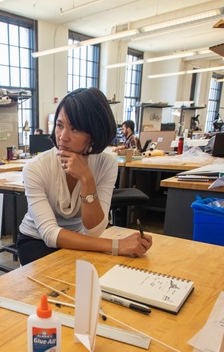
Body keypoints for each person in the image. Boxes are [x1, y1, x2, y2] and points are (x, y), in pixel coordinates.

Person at [17, 88, 153, 265]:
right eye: (59, 125)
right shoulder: (36, 167)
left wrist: (87, 178)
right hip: (36, 240)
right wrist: (116, 245)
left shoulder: (106, 163)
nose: (62, 137)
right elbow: (50, 234)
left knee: (102, 281)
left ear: (94, 133)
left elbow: (94, 231)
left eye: (74, 129)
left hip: (82, 239)